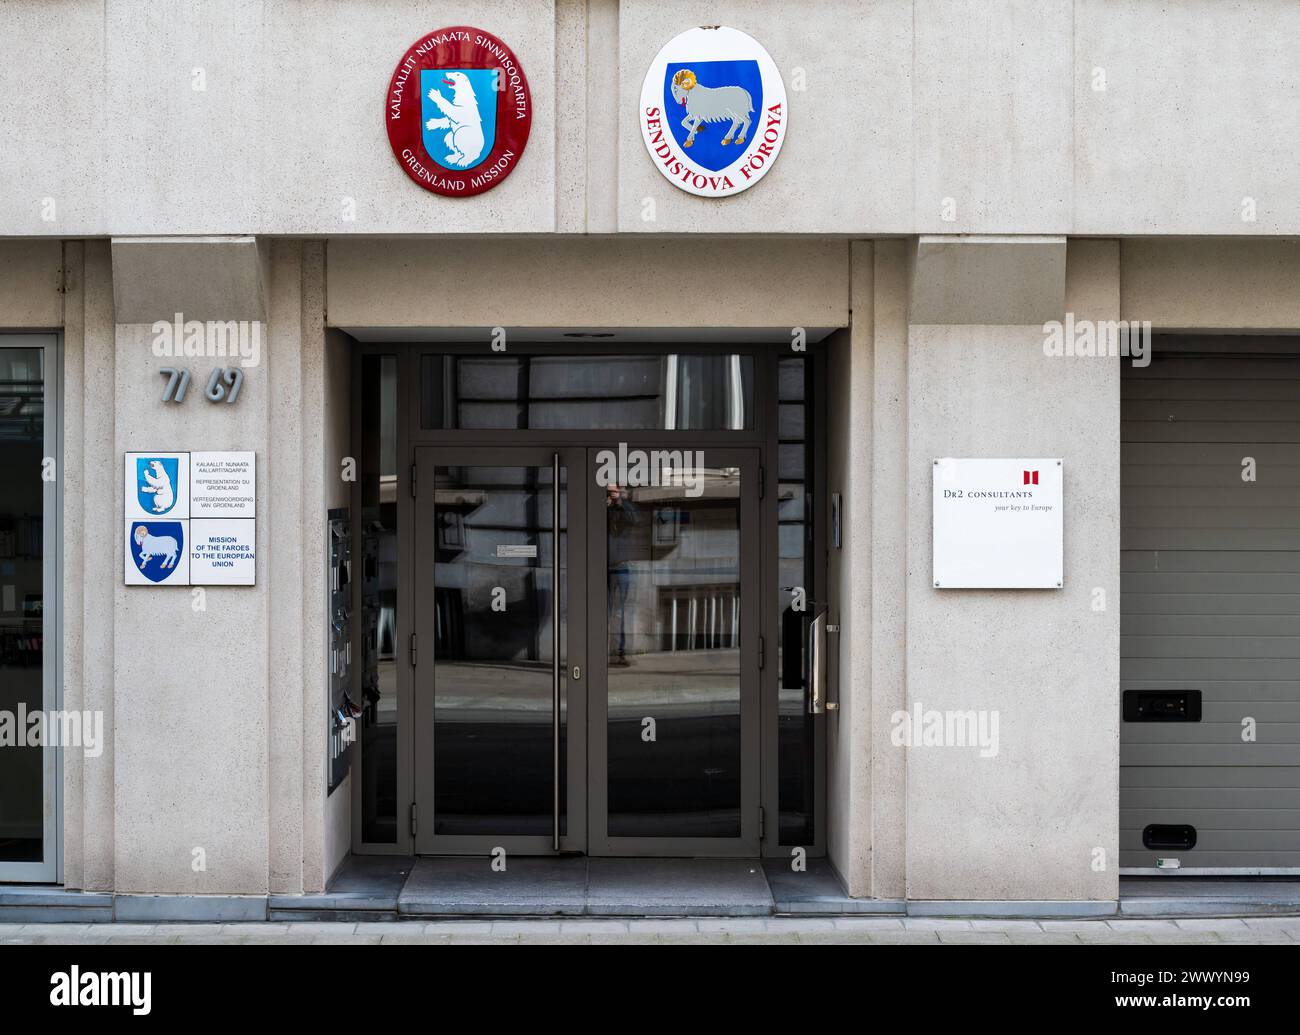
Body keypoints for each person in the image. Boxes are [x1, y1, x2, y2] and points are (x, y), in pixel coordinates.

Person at [605, 482, 644, 665]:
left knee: (619, 613)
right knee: (603, 612)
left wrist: (619, 502)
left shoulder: (626, 509)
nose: (614, 493)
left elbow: (635, 519)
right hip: (602, 567)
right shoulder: (603, 507)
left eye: (617, 490)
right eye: (611, 490)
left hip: (621, 567)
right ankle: (601, 652)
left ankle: (619, 653)